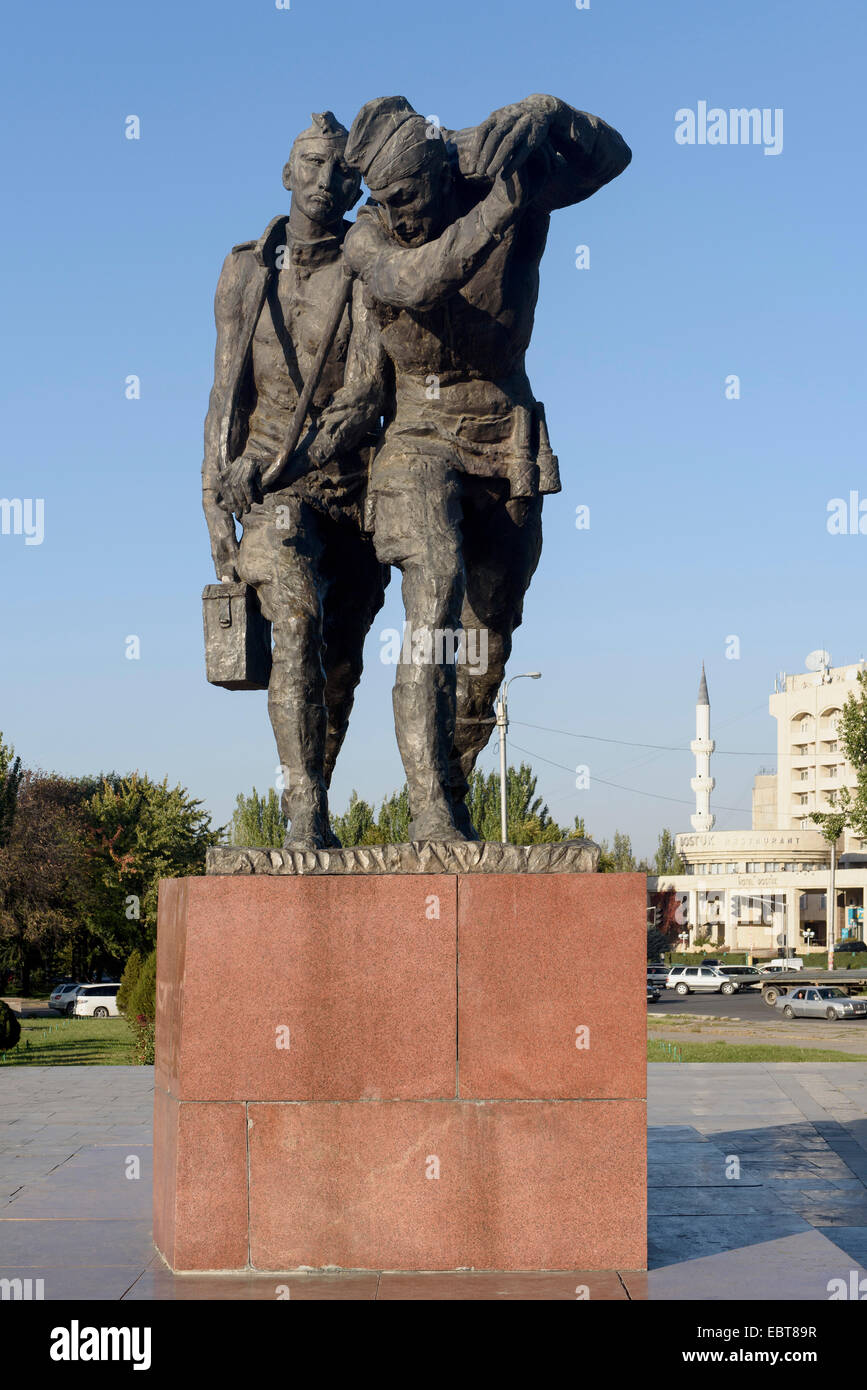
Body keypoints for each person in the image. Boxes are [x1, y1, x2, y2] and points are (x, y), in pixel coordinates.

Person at [324, 94, 630, 840]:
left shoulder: (505, 177)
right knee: (435, 588)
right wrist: (500, 207)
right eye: (382, 199)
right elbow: (413, 283)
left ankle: (450, 783)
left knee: (487, 646)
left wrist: (554, 116)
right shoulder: (370, 237)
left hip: (505, 434)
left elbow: (611, 159)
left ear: (440, 169)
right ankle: (428, 805)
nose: (395, 212)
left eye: (407, 195)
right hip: (419, 439)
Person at [202, 112, 389, 849]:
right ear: (287, 174)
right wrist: (213, 503)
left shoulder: (367, 262)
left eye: (339, 170)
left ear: (353, 183)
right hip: (273, 498)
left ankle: (318, 806)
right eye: (310, 164)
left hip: (353, 486)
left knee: (339, 663)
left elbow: (364, 398)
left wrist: (281, 458)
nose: (323, 179)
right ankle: (303, 808)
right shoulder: (245, 269)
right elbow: (225, 398)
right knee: (297, 622)